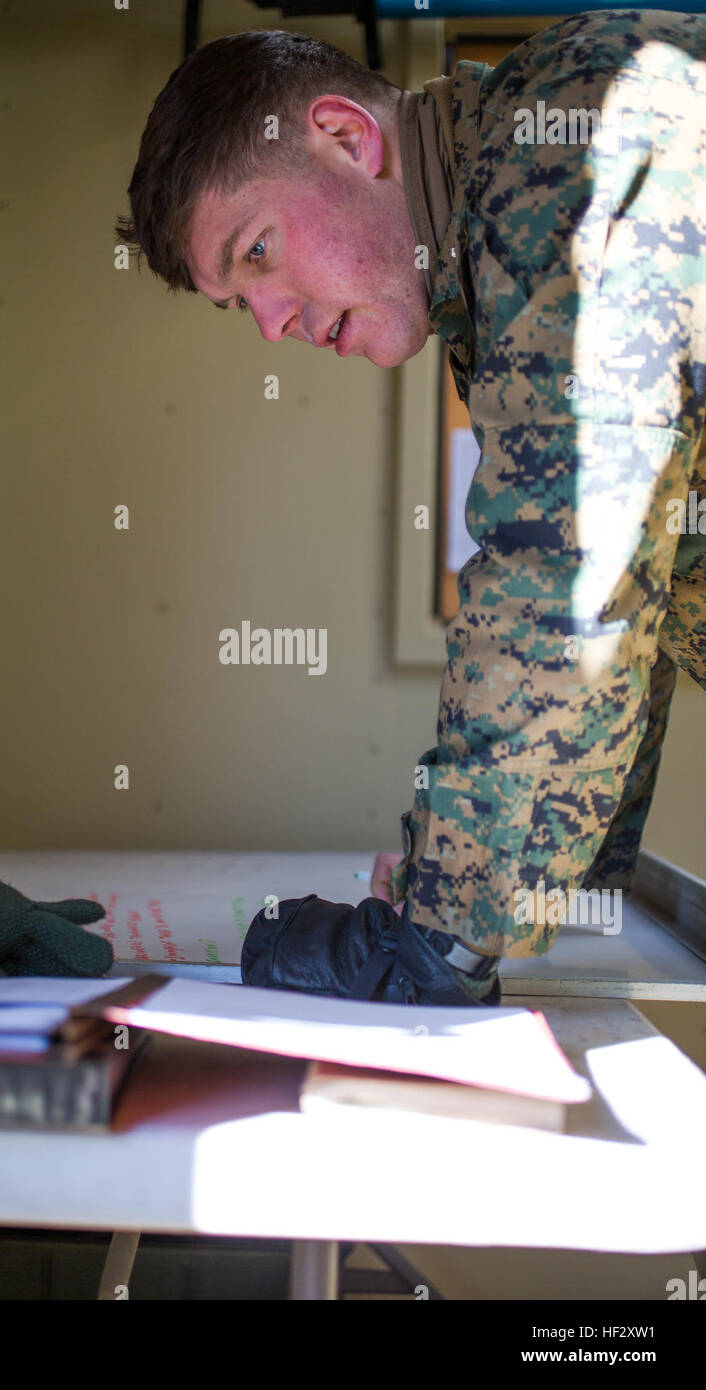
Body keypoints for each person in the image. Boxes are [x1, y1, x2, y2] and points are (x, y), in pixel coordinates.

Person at [118, 10, 706, 1007]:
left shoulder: (556, 139)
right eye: (237, 303)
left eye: (256, 252)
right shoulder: (491, 252)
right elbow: (628, 596)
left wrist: (436, 929)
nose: (271, 326)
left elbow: (560, 564)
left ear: (347, 137)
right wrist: (460, 871)